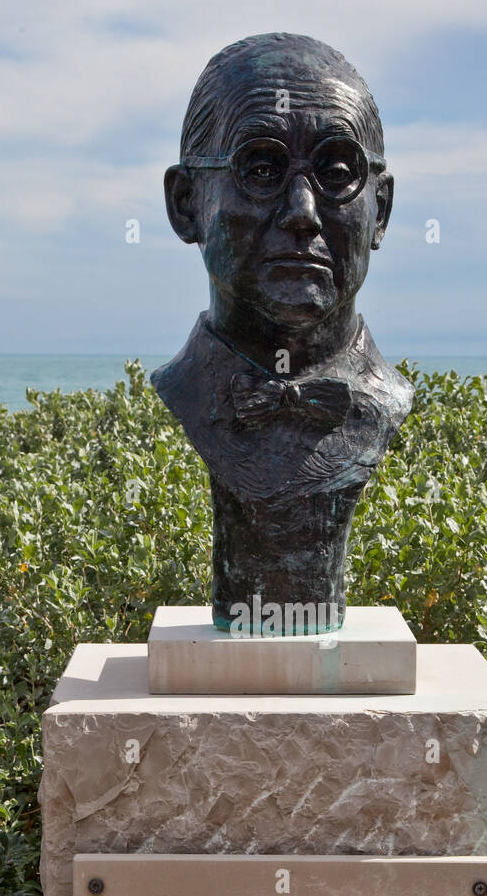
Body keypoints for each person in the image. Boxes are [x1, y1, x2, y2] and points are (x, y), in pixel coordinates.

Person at [151, 33, 414, 632]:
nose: (302, 210)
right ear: (186, 203)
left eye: (337, 172)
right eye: (262, 169)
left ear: (382, 211)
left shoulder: (384, 399)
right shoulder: (187, 394)